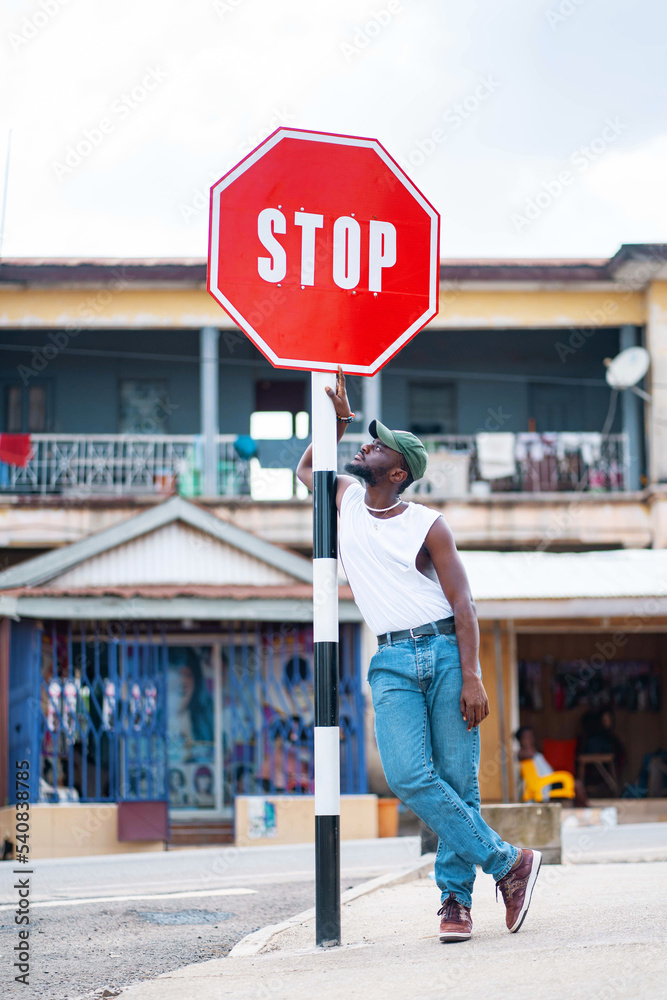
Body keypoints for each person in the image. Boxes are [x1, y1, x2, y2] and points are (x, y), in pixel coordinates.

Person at [296, 367, 541, 944]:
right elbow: (308, 468)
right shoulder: (347, 497)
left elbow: (464, 603)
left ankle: (455, 903)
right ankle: (509, 863)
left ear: (398, 471)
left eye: (376, 446)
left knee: (457, 781)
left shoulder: (430, 525)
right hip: (390, 661)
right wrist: (335, 420)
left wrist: (474, 675)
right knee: (408, 775)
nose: (365, 447)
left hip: (447, 652)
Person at [515, 725, 589, 806]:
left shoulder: (535, 753)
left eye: (531, 736)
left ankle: (581, 808)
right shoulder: (522, 753)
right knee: (577, 785)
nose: (531, 739)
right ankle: (586, 808)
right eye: (527, 737)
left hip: (550, 781)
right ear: (520, 739)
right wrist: (526, 745)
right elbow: (529, 753)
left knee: (577, 785)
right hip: (545, 785)